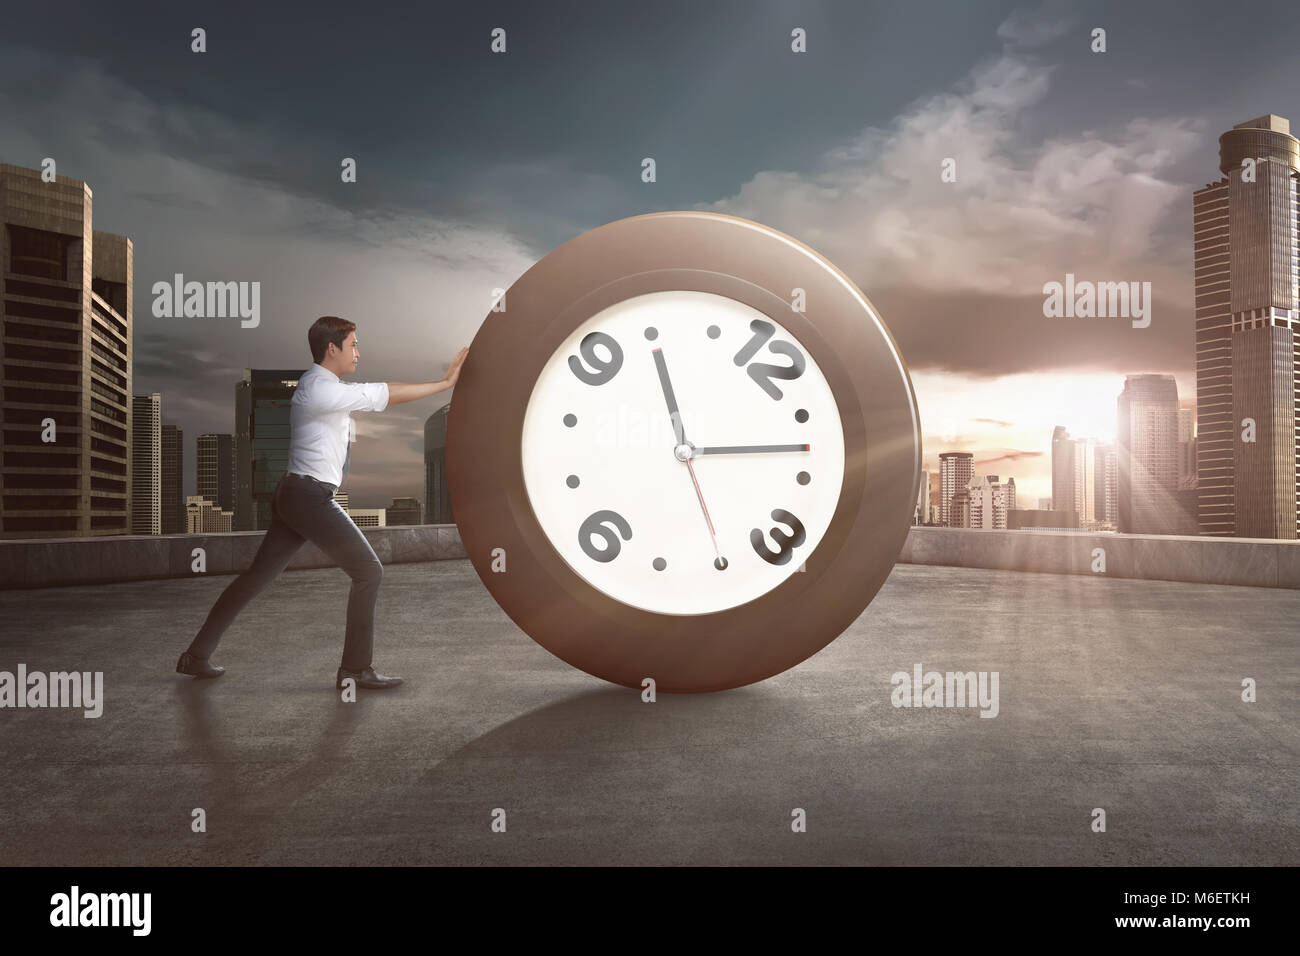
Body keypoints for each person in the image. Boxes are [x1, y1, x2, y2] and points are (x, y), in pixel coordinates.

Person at [176, 315, 469, 690]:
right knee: (369, 571)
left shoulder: (323, 386)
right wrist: (445, 384)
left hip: (297, 493)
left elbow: (381, 388)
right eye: (354, 345)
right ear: (333, 348)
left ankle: (195, 656)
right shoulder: (321, 391)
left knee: (257, 577)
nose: (359, 353)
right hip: (308, 497)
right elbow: (387, 393)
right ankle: (355, 669)